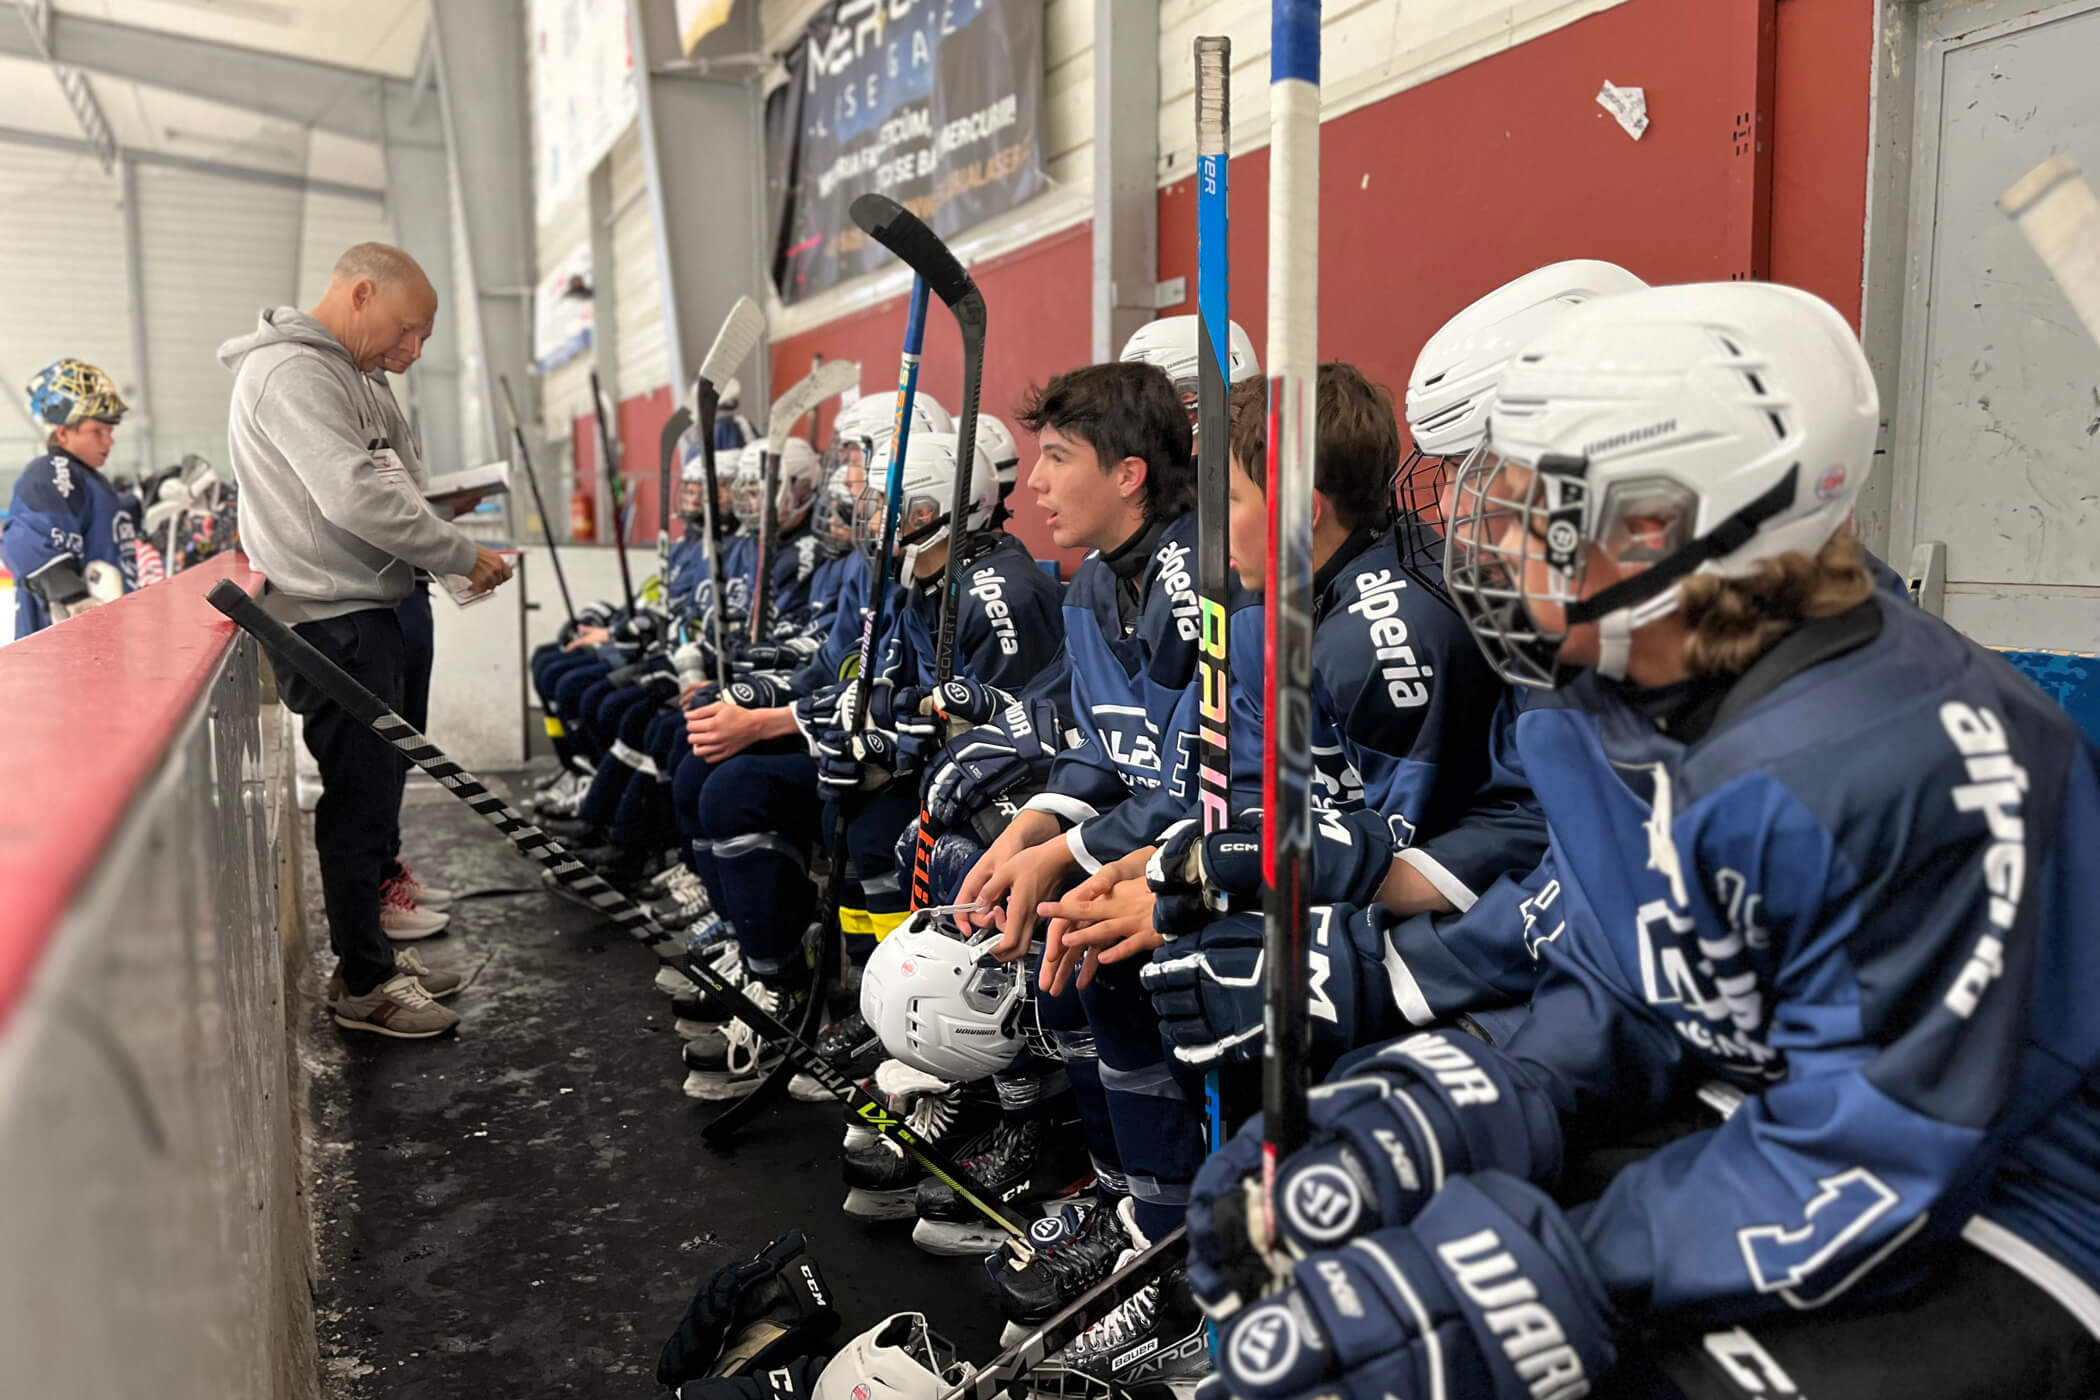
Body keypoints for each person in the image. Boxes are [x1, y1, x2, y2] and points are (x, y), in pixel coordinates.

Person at [1187, 281, 2100, 1400]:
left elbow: (1875, 1164)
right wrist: (1454, 1099)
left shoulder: (1905, 758)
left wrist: (1561, 1269)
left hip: (2020, 1216)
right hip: (1767, 1120)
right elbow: (1632, 989)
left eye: (1532, 511)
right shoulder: (1590, 701)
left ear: (1665, 527)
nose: (1486, 543)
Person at [220, 241, 513, 1039]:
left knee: (377, 792)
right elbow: (352, 495)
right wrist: (458, 553)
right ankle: (364, 985)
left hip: (364, 607)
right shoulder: (294, 374)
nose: (413, 351)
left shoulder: (350, 373)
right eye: (406, 329)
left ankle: (374, 956)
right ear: (358, 294)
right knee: (355, 802)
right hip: (330, 617)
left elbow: (387, 480)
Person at [2, 359, 139, 638]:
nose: (109, 441)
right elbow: (27, 538)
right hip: (66, 655)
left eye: (110, 431)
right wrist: (73, 596)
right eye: (97, 431)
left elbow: (106, 522)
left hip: (105, 644)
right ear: (62, 433)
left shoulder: (93, 482)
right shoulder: (53, 472)